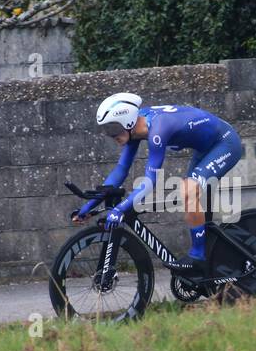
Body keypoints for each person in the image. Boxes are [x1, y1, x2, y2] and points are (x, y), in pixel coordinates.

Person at [72, 92, 244, 275]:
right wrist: (87, 207)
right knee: (192, 199)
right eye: (106, 130)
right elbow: (121, 169)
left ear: (128, 122)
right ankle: (210, 263)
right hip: (205, 149)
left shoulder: (158, 129)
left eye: (113, 128)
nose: (111, 135)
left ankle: (198, 258)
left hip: (225, 143)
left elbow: (150, 181)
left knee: (188, 191)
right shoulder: (135, 128)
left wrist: (120, 210)